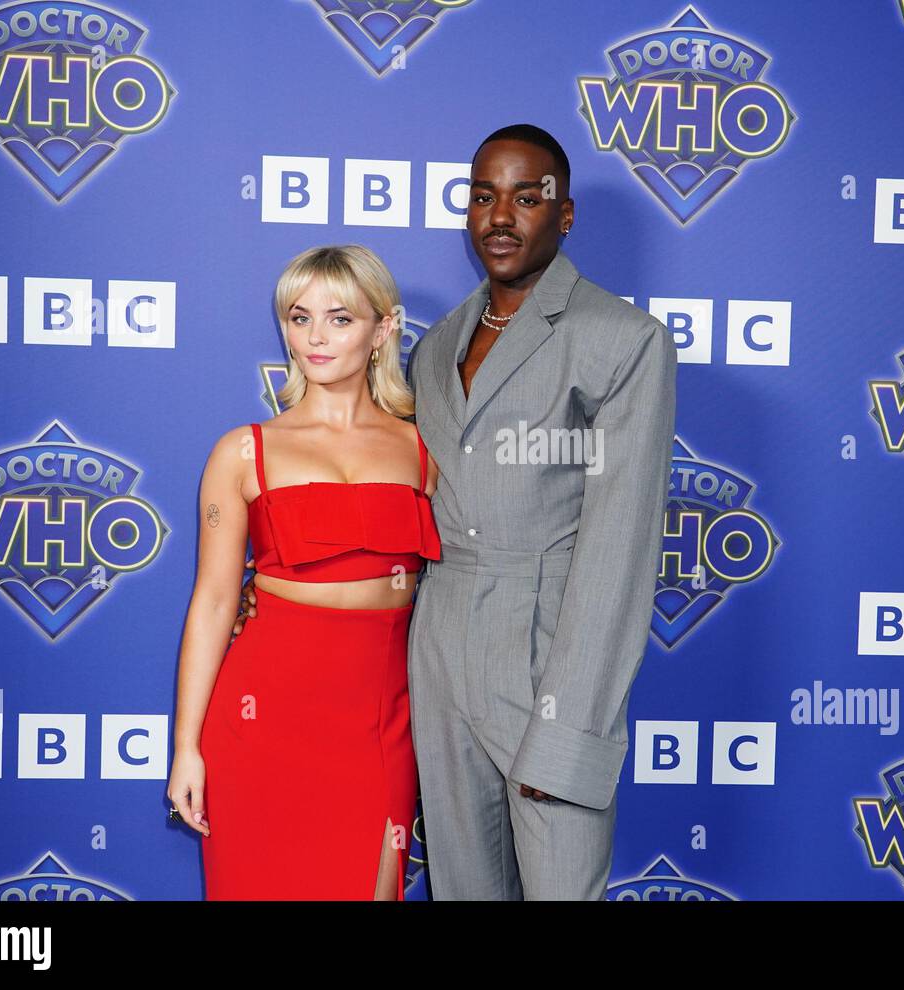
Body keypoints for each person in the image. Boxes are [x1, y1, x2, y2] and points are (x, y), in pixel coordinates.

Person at [236, 124, 678, 900]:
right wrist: (281, 587)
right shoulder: (436, 347)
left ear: (565, 214)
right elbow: (381, 487)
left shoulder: (621, 340)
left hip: (548, 669)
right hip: (436, 671)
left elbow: (620, 552)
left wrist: (569, 729)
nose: (500, 216)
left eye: (526, 197)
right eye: (483, 197)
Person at [167, 244, 440, 900]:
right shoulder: (242, 451)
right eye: (299, 316)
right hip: (262, 719)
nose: (315, 336)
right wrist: (186, 747)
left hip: (379, 721)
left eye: (340, 318)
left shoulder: (425, 447)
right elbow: (212, 603)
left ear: (383, 330)